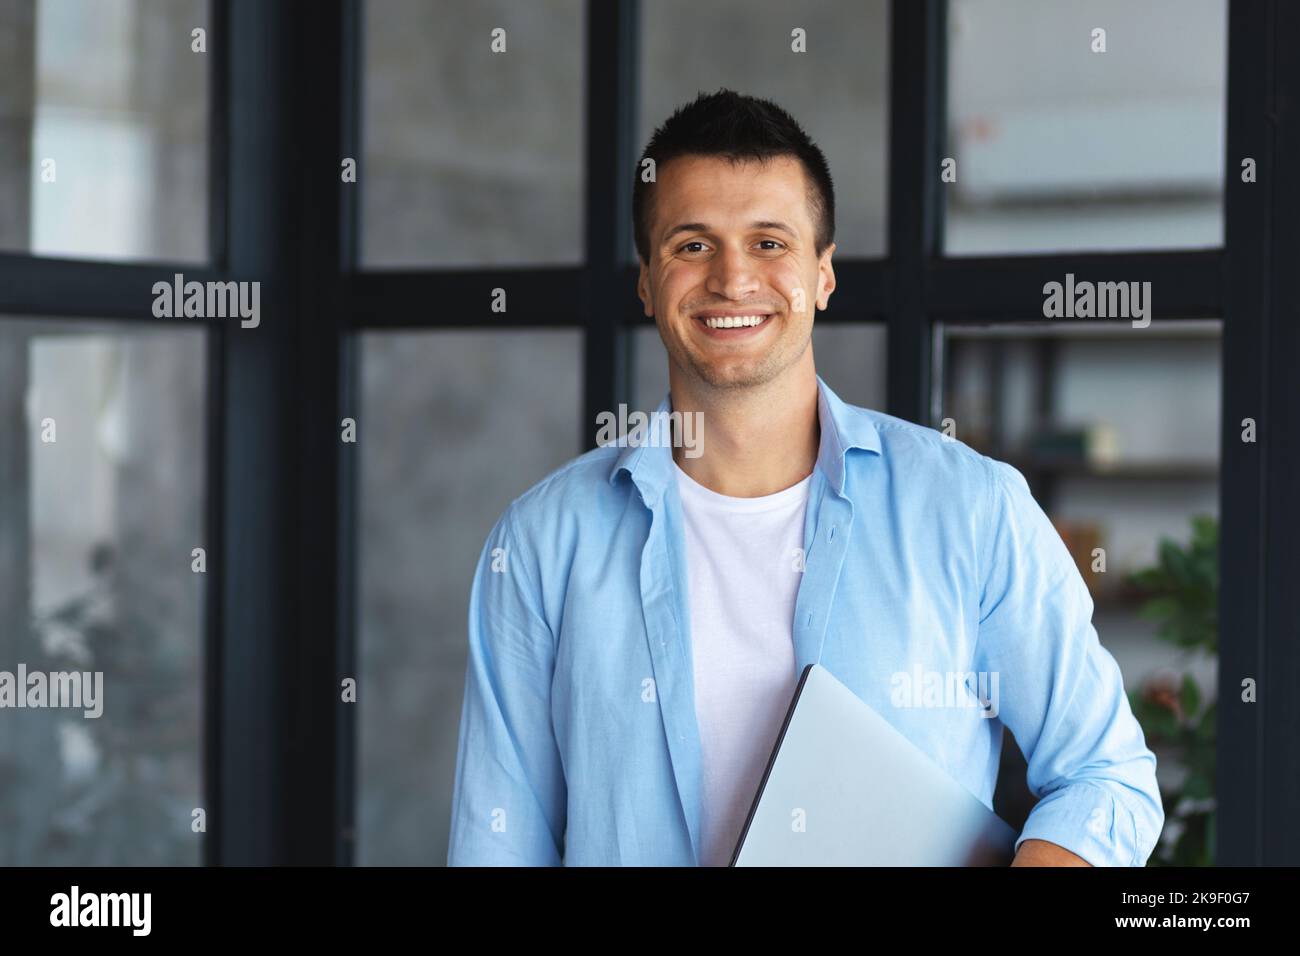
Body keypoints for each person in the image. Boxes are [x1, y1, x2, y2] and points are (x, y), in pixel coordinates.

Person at [447, 88, 1163, 866]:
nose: (731, 279)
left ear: (823, 274)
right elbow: (498, 843)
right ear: (647, 282)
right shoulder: (542, 543)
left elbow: (1106, 777)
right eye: (692, 245)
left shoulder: (970, 509)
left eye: (768, 243)